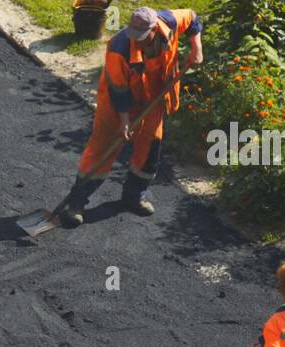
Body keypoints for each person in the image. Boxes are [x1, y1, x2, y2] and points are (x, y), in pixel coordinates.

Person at [57, 7, 203, 227]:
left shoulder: (170, 22)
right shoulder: (119, 48)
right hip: (117, 105)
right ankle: (75, 203)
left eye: (143, 37)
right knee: (102, 149)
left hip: (154, 97)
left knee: (150, 149)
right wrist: (124, 123)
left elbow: (192, 18)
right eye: (135, 36)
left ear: (154, 29)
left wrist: (196, 47)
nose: (138, 41)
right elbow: (119, 90)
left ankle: (134, 196)